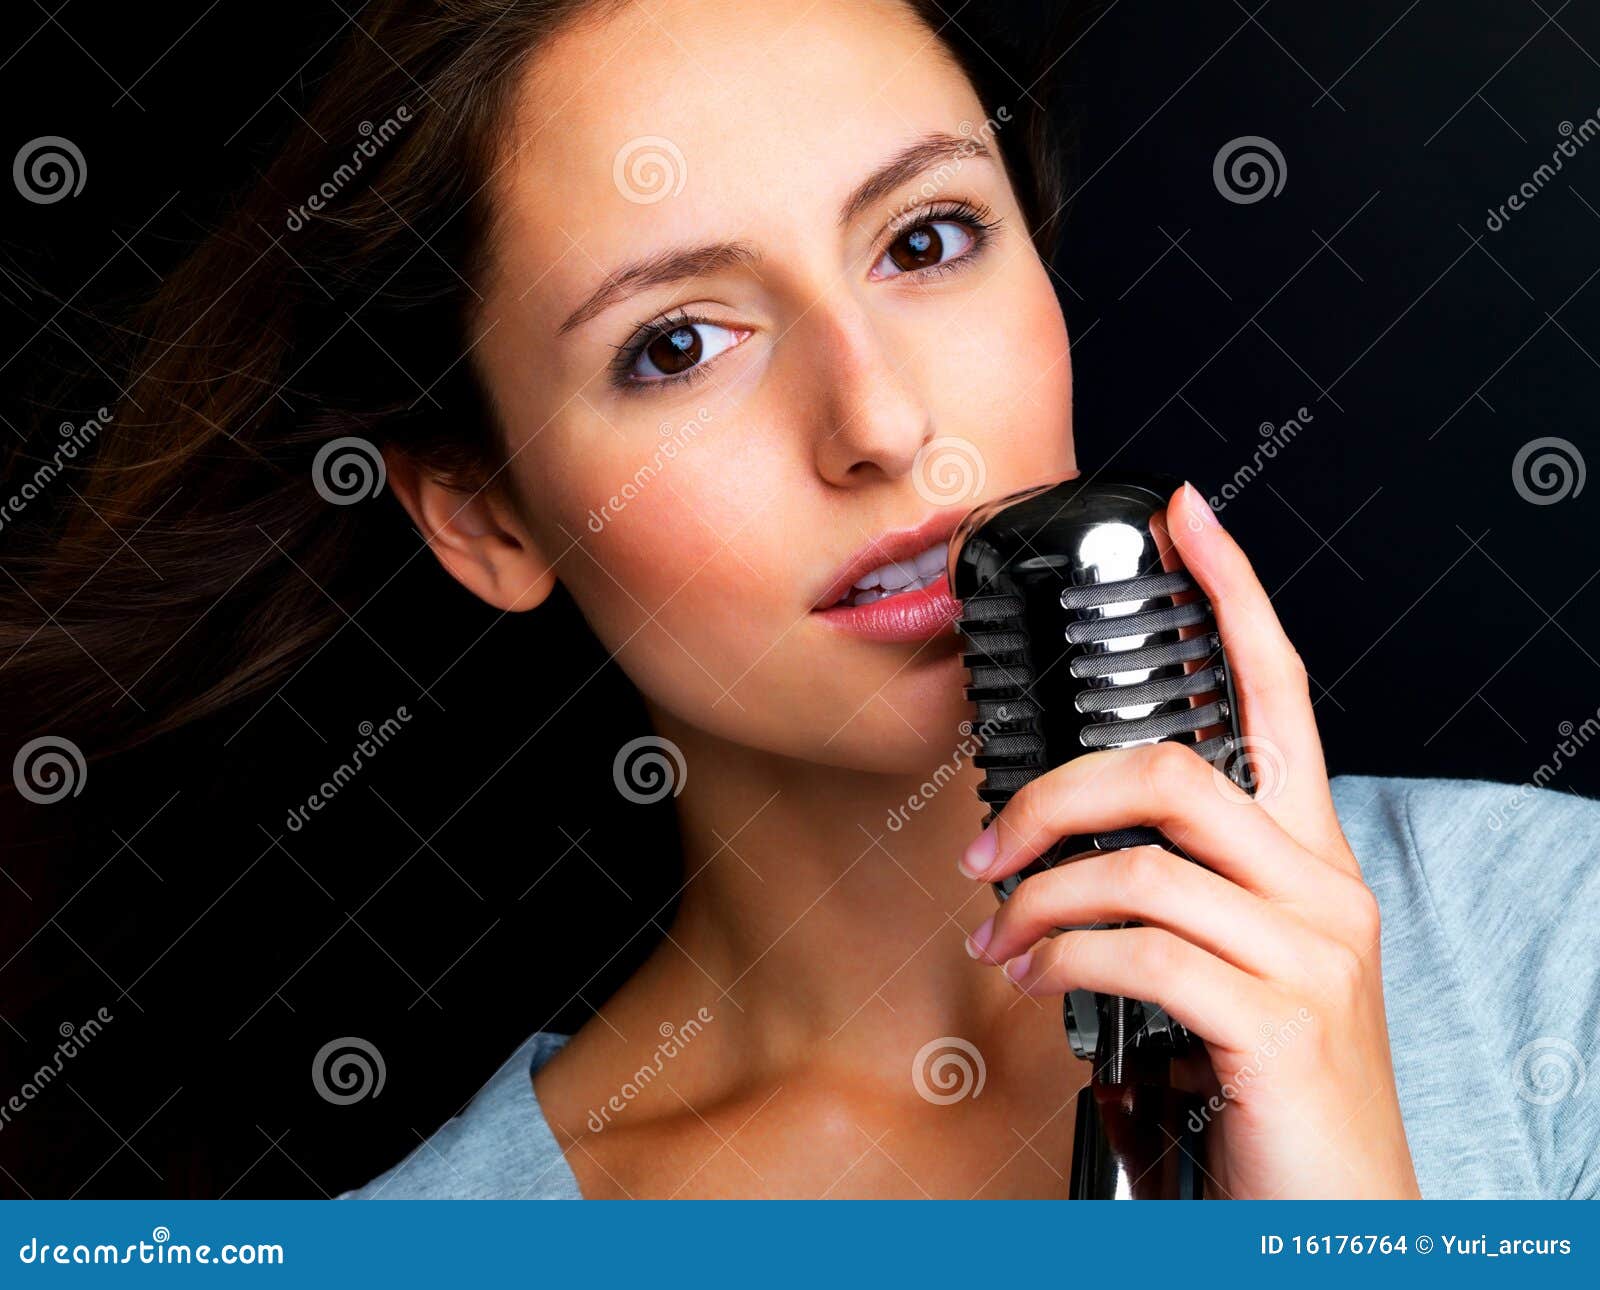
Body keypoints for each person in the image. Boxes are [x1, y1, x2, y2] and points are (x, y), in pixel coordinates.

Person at [11, 0, 1597, 1200]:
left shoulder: (1551, 950)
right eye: (680, 343)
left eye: (926, 238)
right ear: (486, 514)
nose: (884, 423)